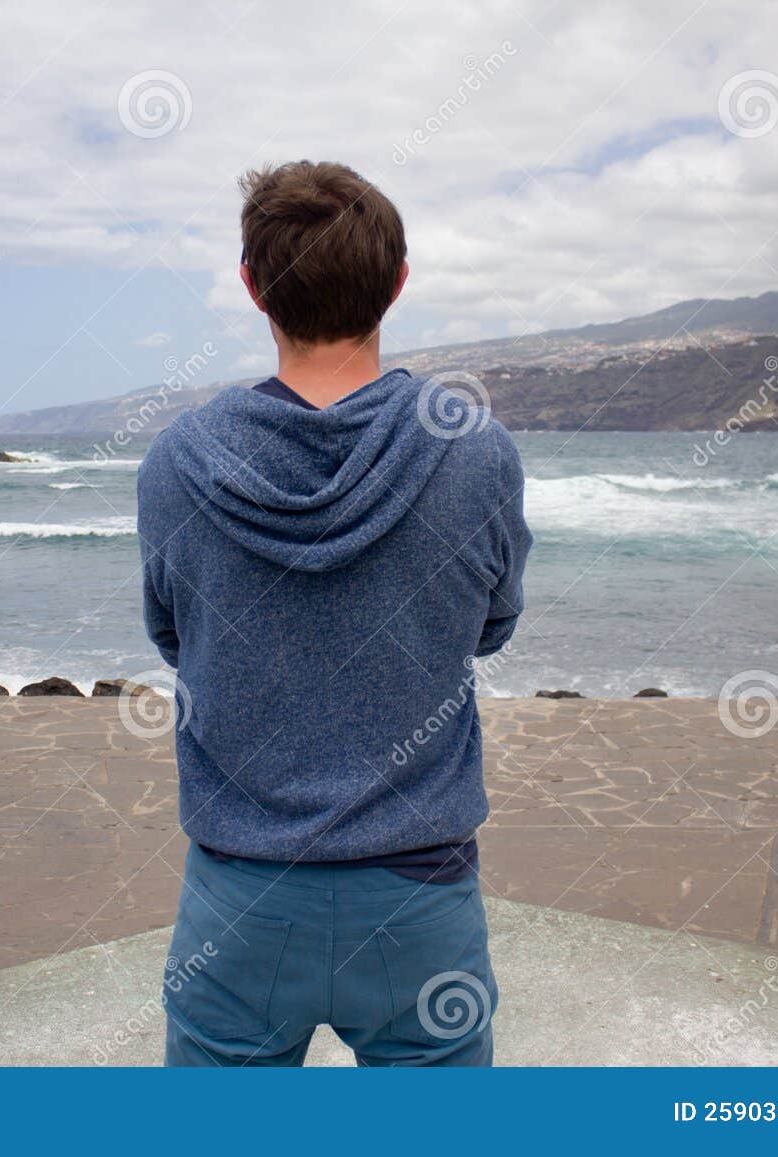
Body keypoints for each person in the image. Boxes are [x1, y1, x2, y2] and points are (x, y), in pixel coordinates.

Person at [136, 160, 532, 1066]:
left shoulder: (177, 461)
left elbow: (172, 636)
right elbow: (493, 624)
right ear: (397, 282)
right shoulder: (474, 449)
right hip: (420, 894)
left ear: (250, 287)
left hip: (238, 900)